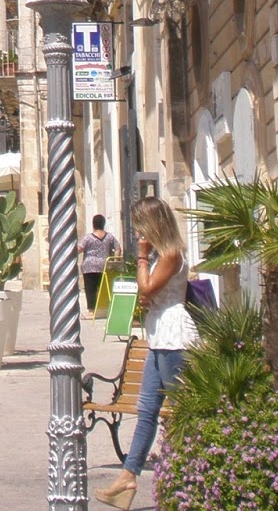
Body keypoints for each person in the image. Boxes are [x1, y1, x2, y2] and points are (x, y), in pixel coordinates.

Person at [94, 197, 199, 509]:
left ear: (154, 224)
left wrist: (141, 259)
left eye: (141, 226)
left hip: (174, 338)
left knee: (180, 411)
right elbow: (151, 293)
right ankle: (128, 476)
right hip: (158, 338)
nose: (139, 233)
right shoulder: (163, 254)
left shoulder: (170, 253)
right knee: (146, 410)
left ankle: (188, 476)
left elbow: (148, 288)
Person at [79, 213, 120, 311]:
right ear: (103, 224)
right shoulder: (109, 237)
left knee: (90, 289)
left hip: (89, 267)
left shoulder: (88, 238)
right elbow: (118, 248)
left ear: (93, 225)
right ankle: (103, 308)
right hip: (104, 265)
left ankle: (92, 309)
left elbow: (79, 248)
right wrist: (114, 260)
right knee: (103, 288)